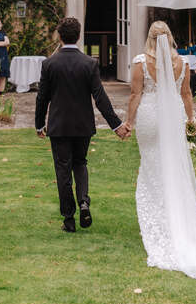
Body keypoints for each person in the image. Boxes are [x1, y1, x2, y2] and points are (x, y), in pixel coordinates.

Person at [125, 20, 196, 280]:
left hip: (150, 116)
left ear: (150, 38)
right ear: (170, 37)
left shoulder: (141, 62)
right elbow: (187, 95)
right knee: (174, 167)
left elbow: (136, 94)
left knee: (153, 167)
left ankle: (163, 222)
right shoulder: (182, 64)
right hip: (174, 116)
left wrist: (128, 122)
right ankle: (178, 217)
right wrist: (191, 122)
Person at [35, 17, 129, 233]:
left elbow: (42, 98)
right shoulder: (89, 63)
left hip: (58, 125)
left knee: (63, 170)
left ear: (60, 36)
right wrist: (116, 125)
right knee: (80, 163)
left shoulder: (49, 64)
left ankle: (69, 218)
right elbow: (100, 97)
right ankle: (84, 202)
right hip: (83, 125)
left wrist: (39, 124)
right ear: (79, 36)